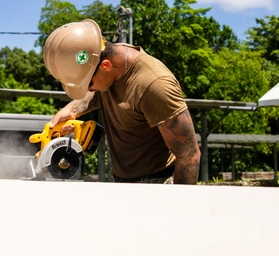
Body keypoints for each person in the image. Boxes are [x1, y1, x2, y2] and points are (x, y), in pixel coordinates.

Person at [44, 19, 200, 184]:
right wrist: (72, 110)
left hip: (157, 182)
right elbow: (97, 91)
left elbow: (189, 155)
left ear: (106, 66)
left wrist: (179, 198)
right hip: (123, 179)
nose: (88, 91)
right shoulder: (108, 59)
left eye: (88, 85)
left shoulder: (155, 85)